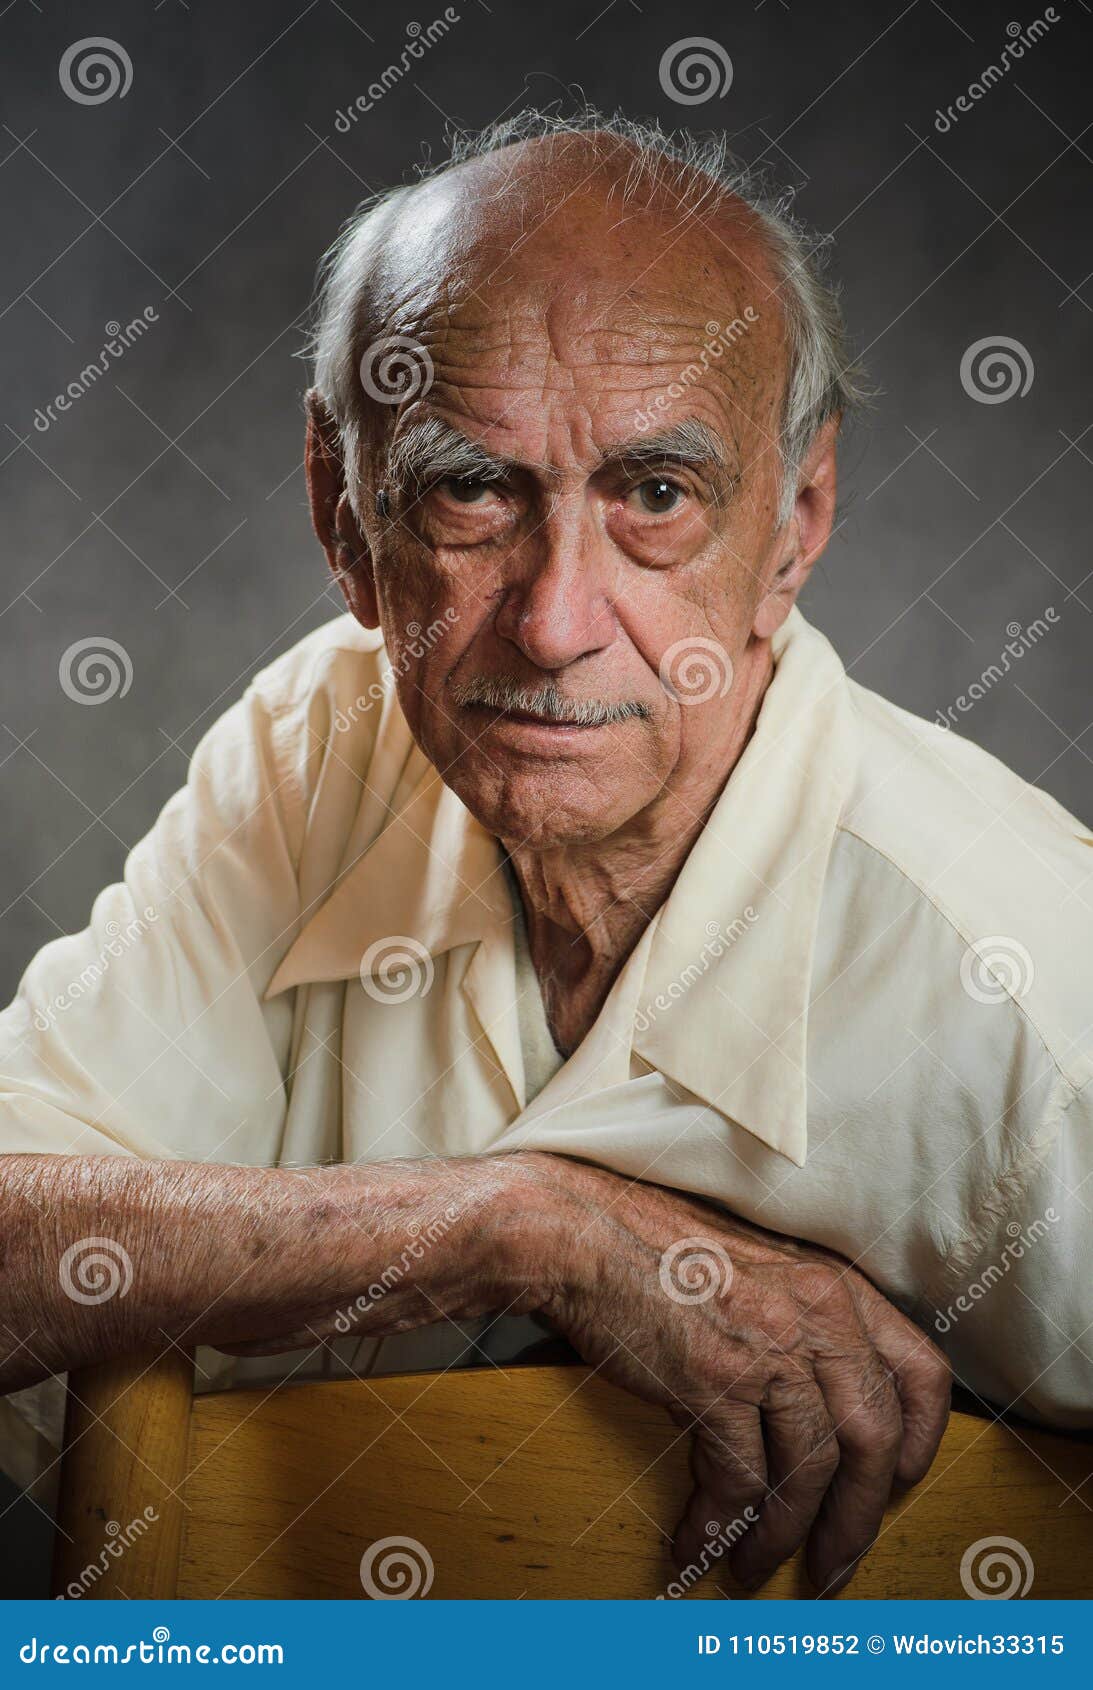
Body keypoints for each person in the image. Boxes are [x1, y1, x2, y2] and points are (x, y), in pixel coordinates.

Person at [2, 112, 1088, 1597]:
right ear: (341, 508)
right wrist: (517, 1224)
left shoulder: (1023, 991)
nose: (555, 620)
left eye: (653, 494)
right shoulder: (322, 744)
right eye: (471, 487)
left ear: (795, 524)